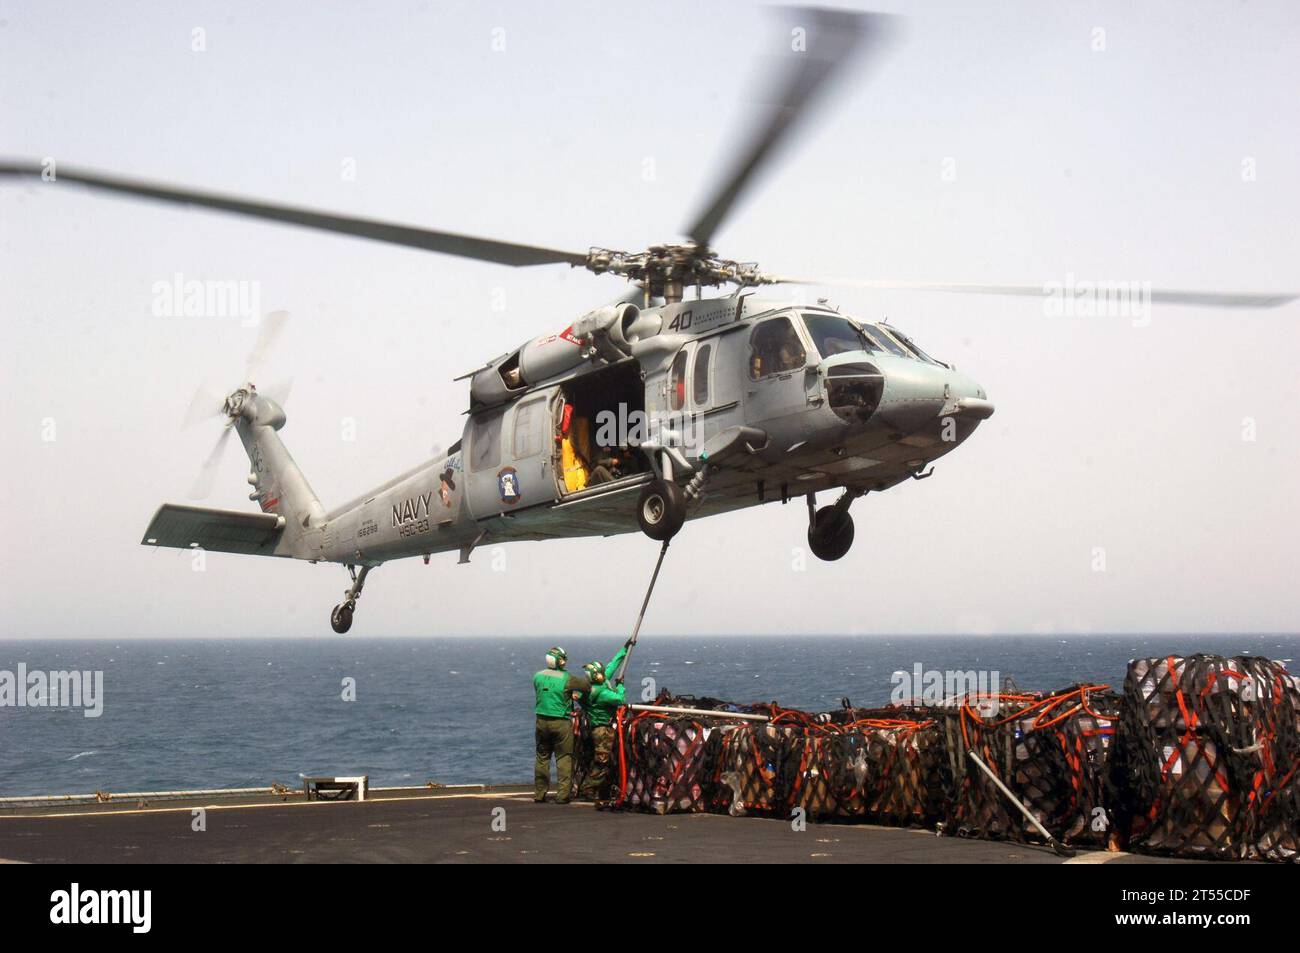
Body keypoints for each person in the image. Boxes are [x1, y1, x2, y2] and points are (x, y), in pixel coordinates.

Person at [577, 638, 632, 806]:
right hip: (602, 729)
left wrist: (625, 648)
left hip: (599, 728)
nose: (604, 673)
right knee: (602, 760)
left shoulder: (595, 684)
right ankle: (588, 788)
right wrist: (621, 686)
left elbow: (612, 665)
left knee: (602, 758)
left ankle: (598, 786)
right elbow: (620, 699)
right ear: (597, 676)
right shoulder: (601, 694)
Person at [533, 646, 589, 804]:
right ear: (560, 661)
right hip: (561, 722)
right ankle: (562, 795)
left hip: (541, 721)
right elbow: (586, 686)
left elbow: (547, 692)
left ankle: (539, 793)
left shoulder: (537, 676)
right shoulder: (567, 678)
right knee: (564, 757)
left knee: (542, 757)